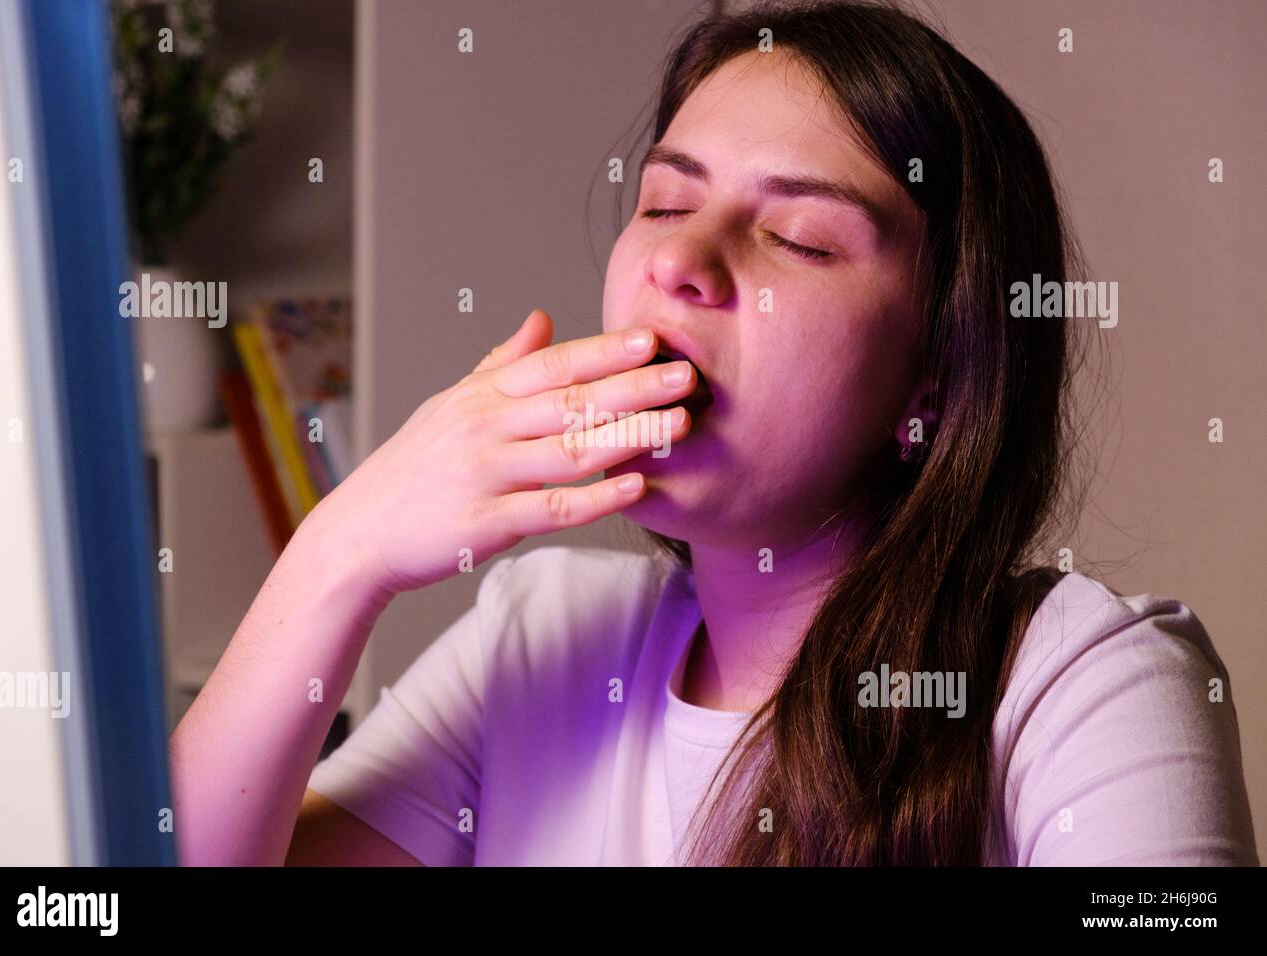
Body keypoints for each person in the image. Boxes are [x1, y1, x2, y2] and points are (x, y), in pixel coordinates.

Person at [169, 0, 1258, 866]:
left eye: (795, 235)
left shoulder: (1082, 682)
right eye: (661, 202)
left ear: (938, 366)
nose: (681, 260)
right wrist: (342, 549)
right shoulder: (541, 635)